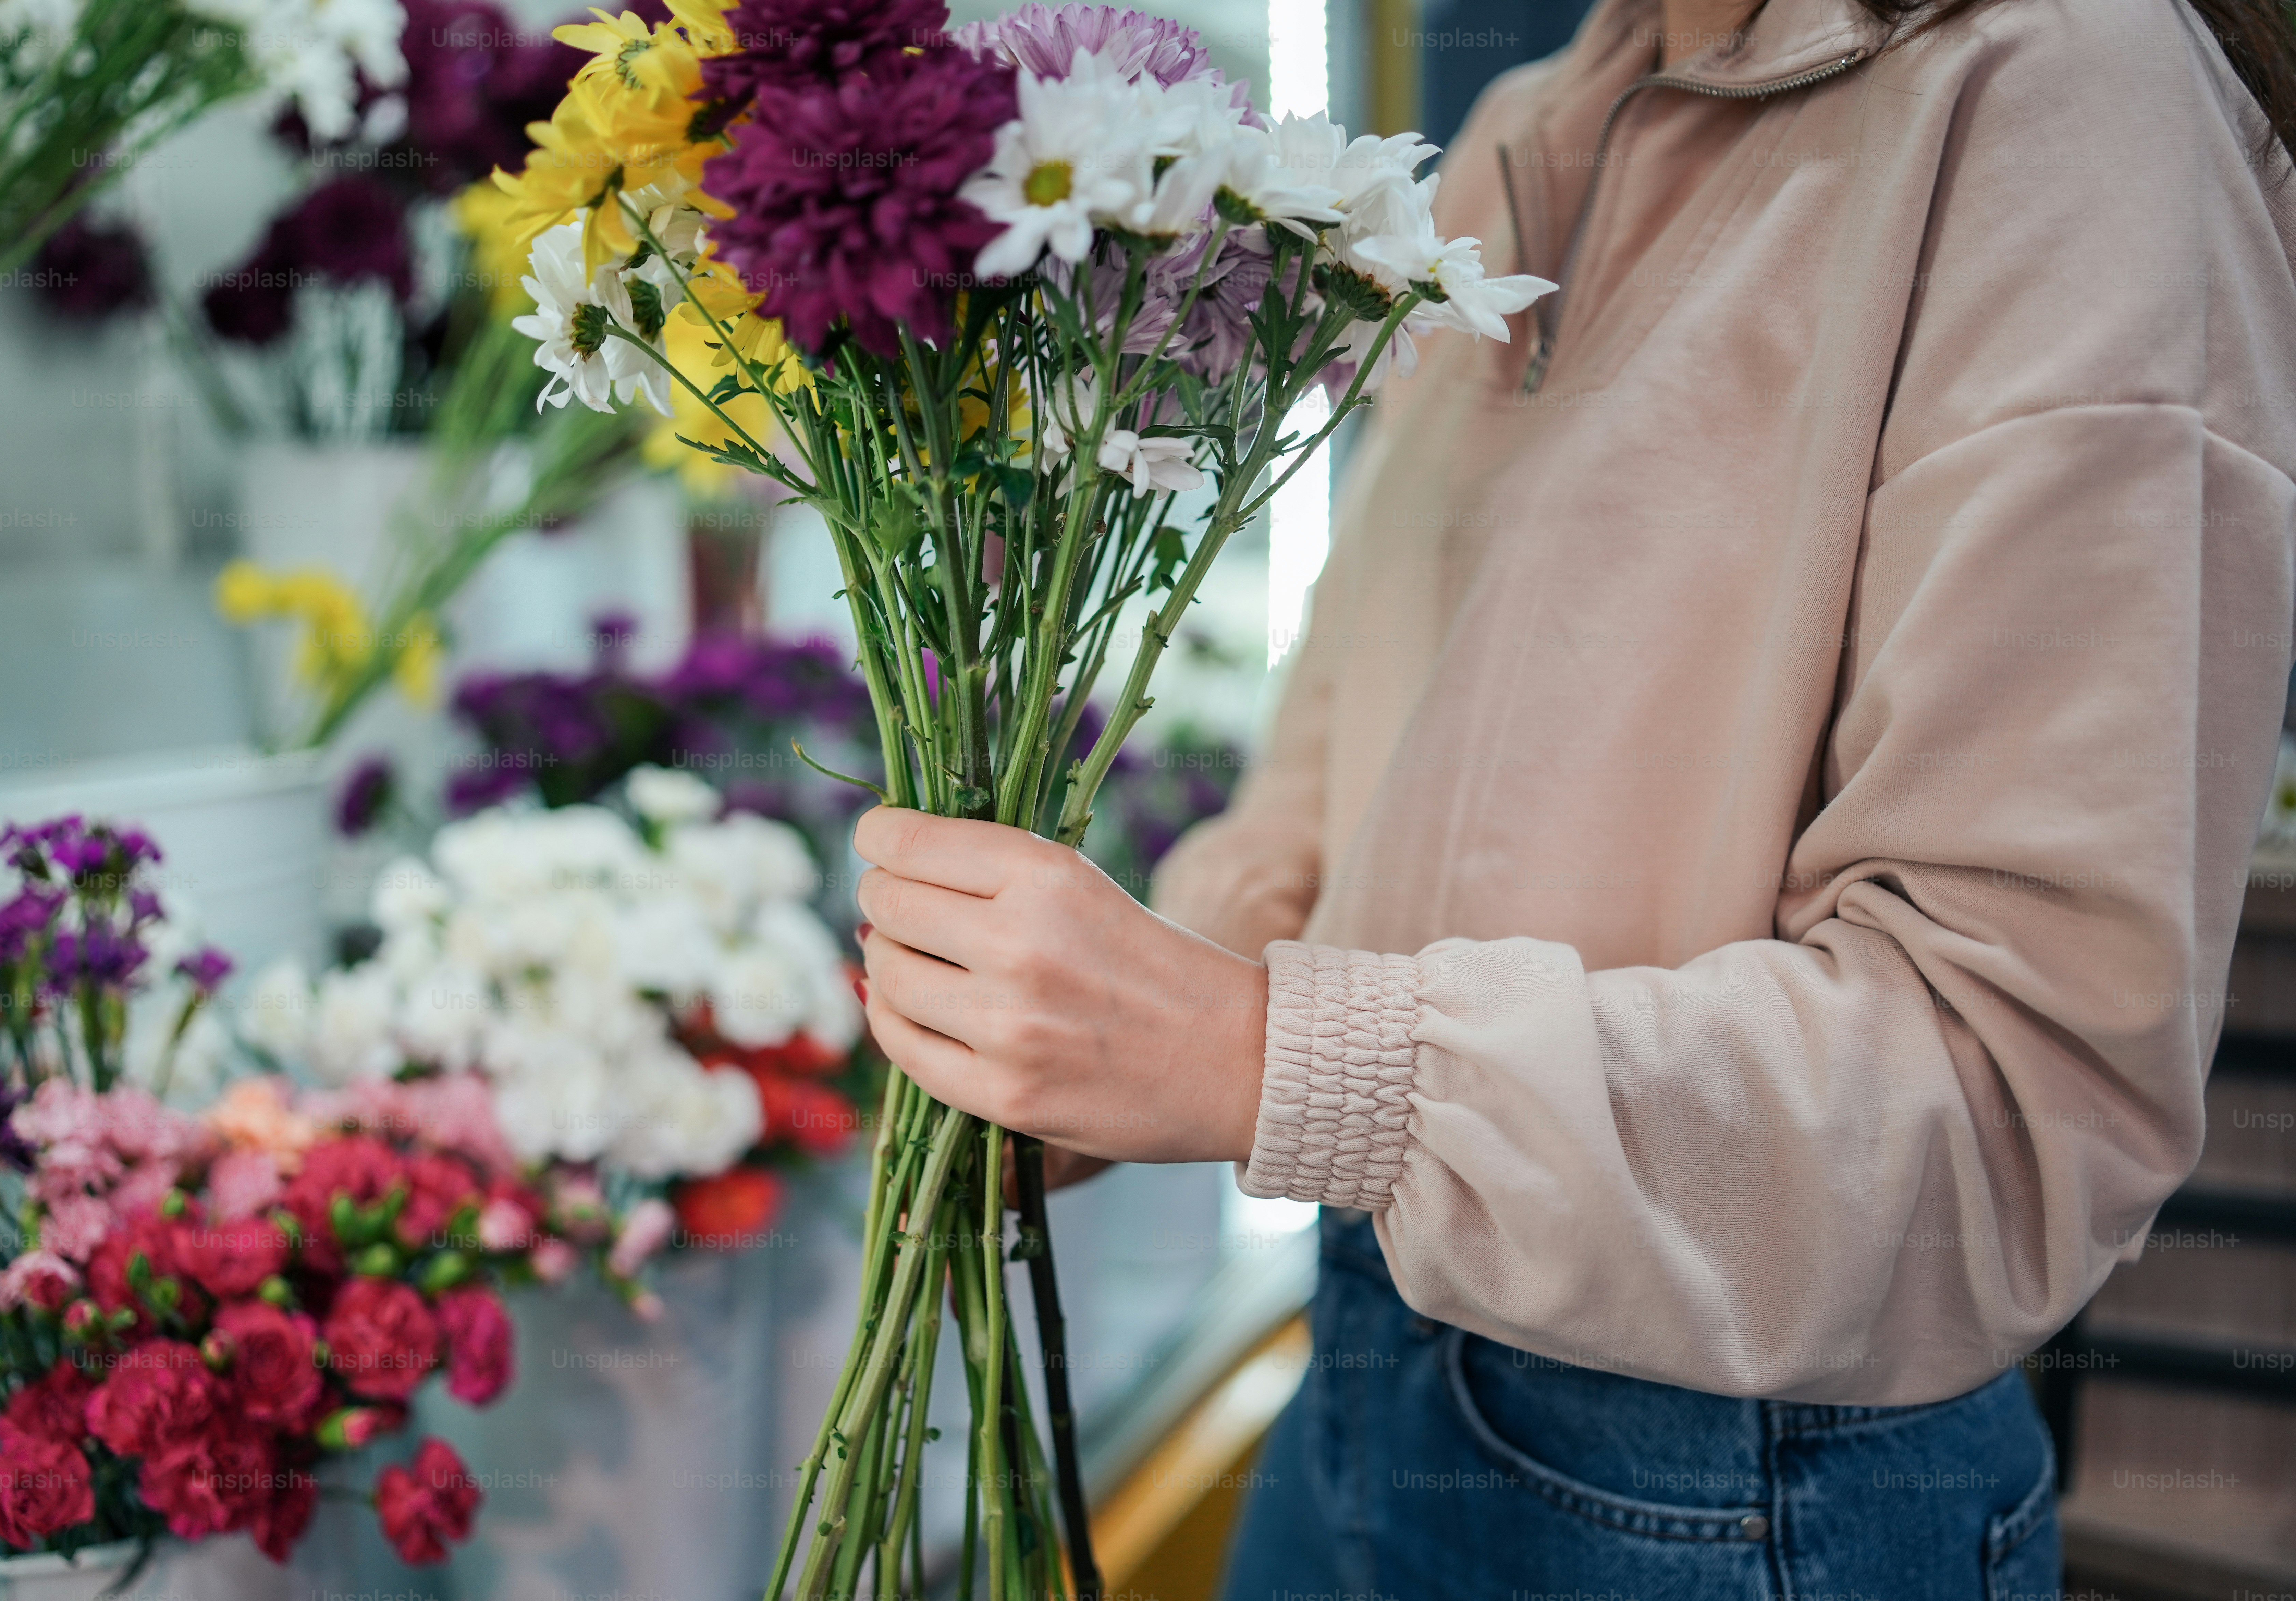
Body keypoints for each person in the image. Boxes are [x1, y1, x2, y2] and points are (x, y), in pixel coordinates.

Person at [848, 0, 2296, 1592]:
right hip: (1365, 1334)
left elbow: (2013, 1102)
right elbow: (1355, 738)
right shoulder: (1528, 129)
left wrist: (1263, 1057)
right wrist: (1109, 1037)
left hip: (1734, 1467)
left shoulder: (2068, 95)